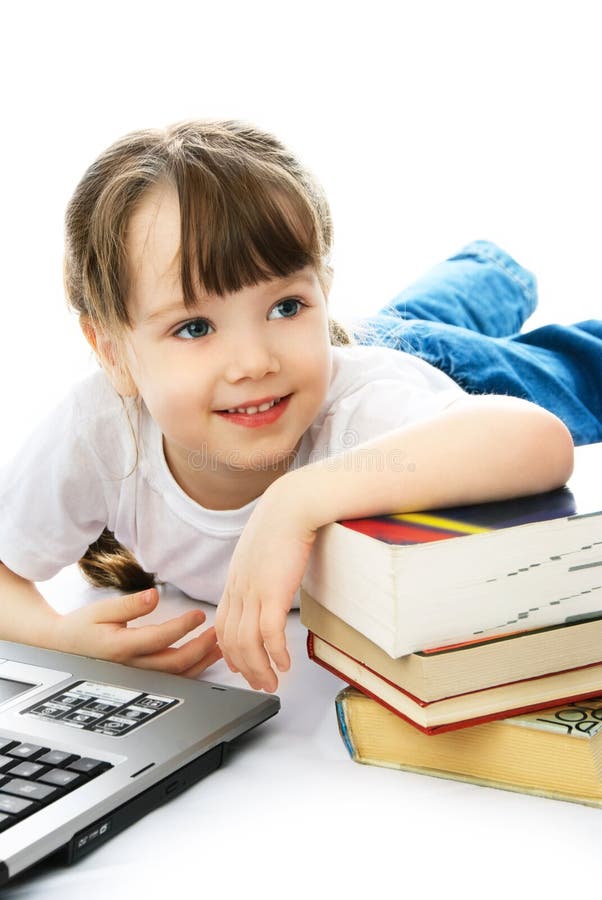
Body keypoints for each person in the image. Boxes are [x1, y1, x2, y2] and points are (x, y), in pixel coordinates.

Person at [0, 121, 580, 697]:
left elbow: (540, 440)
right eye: (194, 326)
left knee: (564, 368)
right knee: (411, 321)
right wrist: (55, 636)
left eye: (286, 305)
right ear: (112, 352)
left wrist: (294, 500)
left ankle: (492, 274)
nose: (253, 361)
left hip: (450, 392)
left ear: (322, 292)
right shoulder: (101, 430)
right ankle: (482, 273)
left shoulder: (363, 411)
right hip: (358, 355)